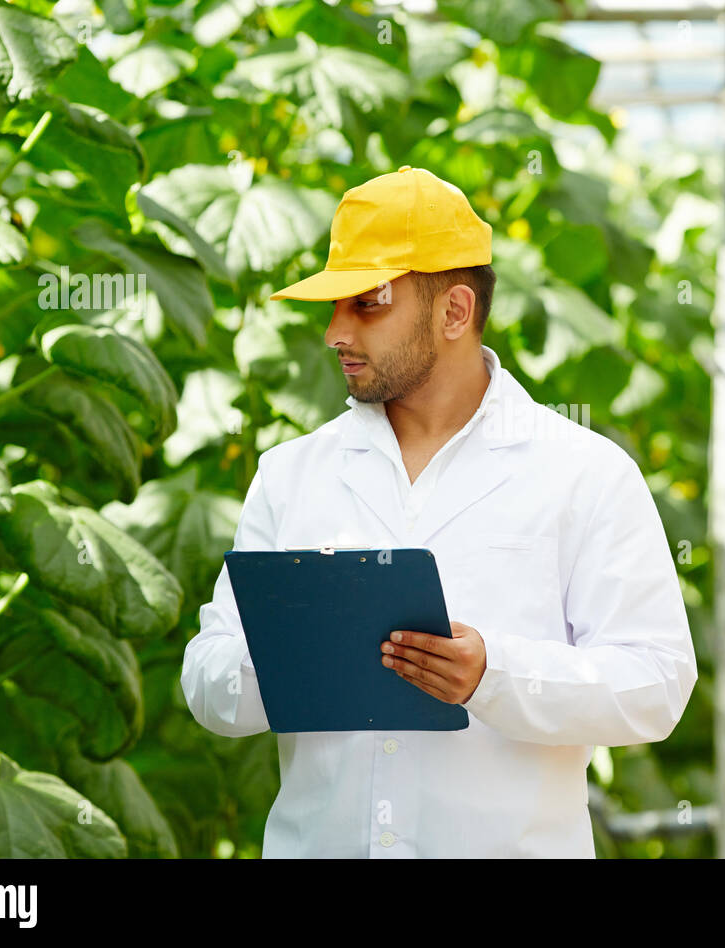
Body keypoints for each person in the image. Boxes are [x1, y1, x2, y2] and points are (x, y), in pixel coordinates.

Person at [181, 165, 697, 857]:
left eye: (366, 304)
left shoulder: (585, 475)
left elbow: (657, 685)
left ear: (454, 311)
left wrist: (493, 675)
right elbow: (206, 679)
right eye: (333, 306)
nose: (335, 331)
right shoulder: (291, 475)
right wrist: (282, 660)